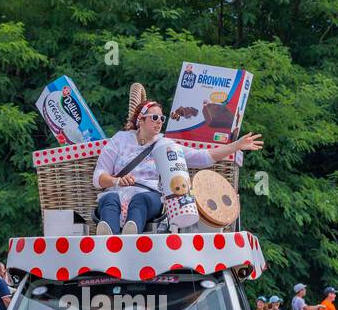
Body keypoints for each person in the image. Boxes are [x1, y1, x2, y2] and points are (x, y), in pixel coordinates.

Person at [91, 94, 264, 234]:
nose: (159, 121)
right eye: (154, 117)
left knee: (140, 200)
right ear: (140, 120)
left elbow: (203, 157)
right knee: (110, 199)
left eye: (161, 118)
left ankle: (130, 236)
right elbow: (98, 177)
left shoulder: (166, 145)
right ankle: (107, 237)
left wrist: (235, 146)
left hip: (148, 194)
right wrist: (117, 181)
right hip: (118, 190)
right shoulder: (120, 139)